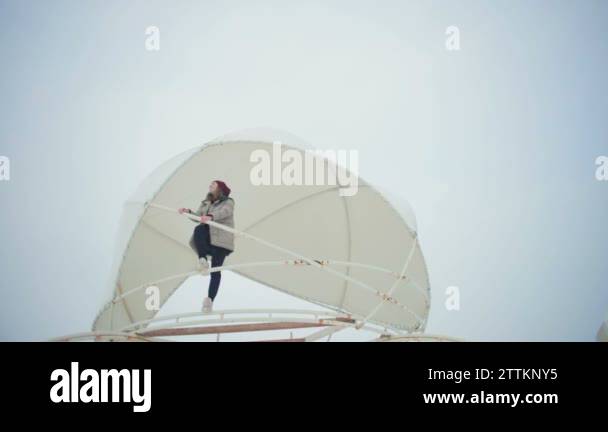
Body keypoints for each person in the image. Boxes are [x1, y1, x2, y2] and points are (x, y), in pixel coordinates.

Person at [179, 180, 235, 313]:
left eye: (213, 185)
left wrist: (211, 216)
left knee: (216, 271)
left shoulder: (228, 201)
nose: (210, 186)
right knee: (199, 229)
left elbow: (225, 212)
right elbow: (199, 217)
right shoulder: (206, 202)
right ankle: (202, 259)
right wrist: (189, 212)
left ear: (220, 189)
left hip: (221, 241)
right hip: (209, 237)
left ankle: (209, 300)